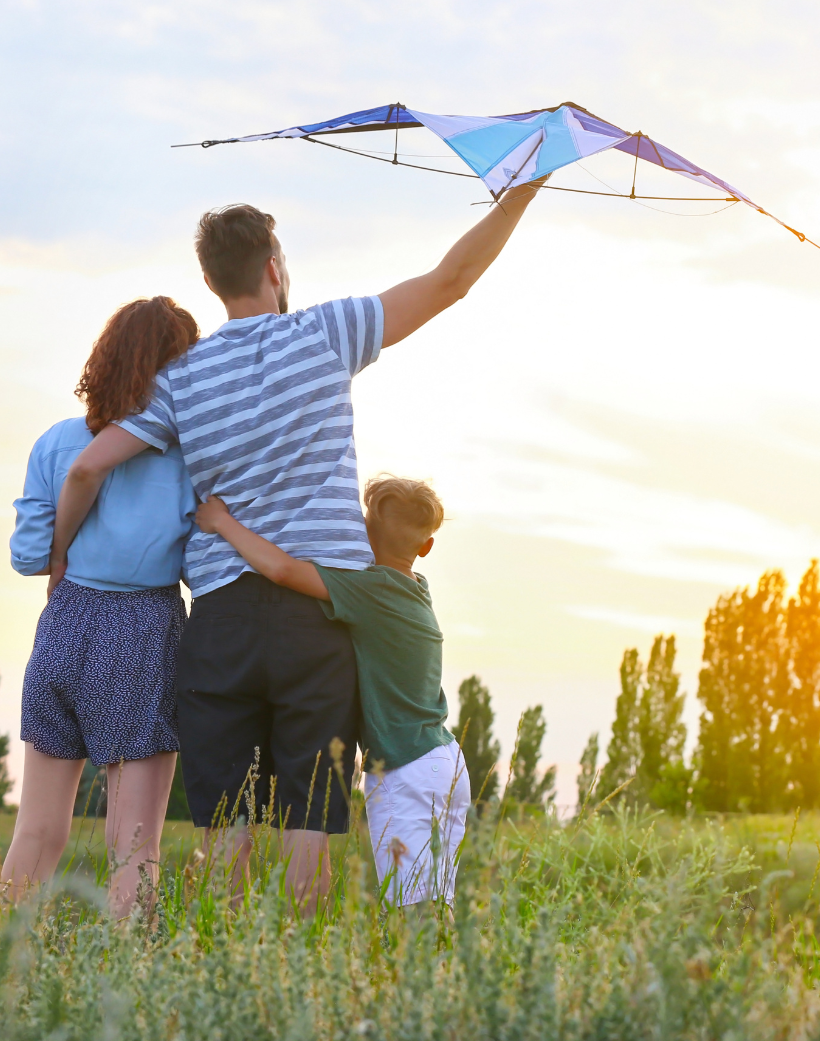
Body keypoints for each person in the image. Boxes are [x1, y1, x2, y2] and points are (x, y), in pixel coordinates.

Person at [50, 180, 545, 912]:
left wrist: (60, 557)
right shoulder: (326, 332)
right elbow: (451, 280)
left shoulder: (180, 381)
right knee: (308, 818)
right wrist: (522, 191)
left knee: (225, 825)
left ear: (212, 281)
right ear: (274, 268)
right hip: (316, 622)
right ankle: (294, 965)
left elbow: (87, 468)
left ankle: (225, 966)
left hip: (220, 623)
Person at [3, 297, 199, 916]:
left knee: (37, 833)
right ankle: (130, 973)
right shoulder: (186, 452)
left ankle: (7, 953)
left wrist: (68, 548)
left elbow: (28, 556)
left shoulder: (56, 441)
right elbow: (200, 564)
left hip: (62, 626)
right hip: (142, 630)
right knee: (134, 846)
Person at [196, 476, 468, 907]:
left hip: (406, 767)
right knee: (433, 896)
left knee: (415, 905)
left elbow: (283, 571)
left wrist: (222, 522)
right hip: (443, 760)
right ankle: (444, 953)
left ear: (361, 532)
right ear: (426, 547)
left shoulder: (370, 590)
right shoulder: (415, 587)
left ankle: (429, 958)